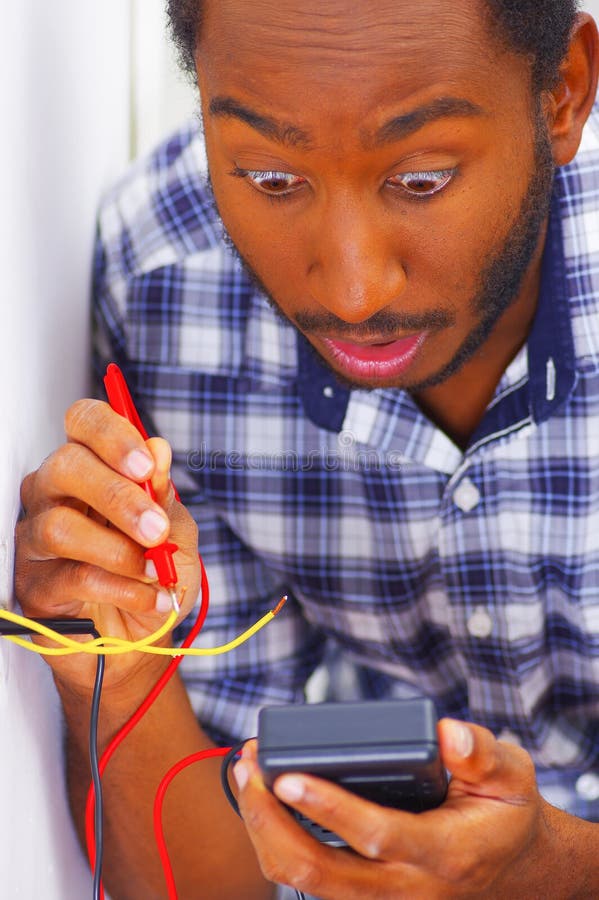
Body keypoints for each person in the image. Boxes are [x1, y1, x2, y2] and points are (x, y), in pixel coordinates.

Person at [14, 1, 599, 897]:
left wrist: (551, 871)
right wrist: (120, 674)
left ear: (561, 92)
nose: (353, 293)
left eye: (421, 179)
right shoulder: (168, 288)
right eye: (270, 178)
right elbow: (205, 882)